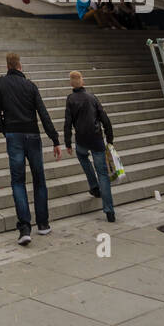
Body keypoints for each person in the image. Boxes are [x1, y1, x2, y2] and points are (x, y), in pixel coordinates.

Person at [0, 52, 61, 245]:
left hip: (14, 134)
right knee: (39, 179)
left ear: (8, 66)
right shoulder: (31, 86)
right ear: (20, 66)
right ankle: (43, 224)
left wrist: (4, 130)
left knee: (18, 181)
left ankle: (24, 228)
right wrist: (55, 139)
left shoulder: (1, 83)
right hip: (33, 134)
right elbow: (43, 113)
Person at [64, 70, 116, 223]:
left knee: (82, 155)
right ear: (83, 82)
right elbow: (104, 118)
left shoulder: (70, 99)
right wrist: (110, 138)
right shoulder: (92, 98)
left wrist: (68, 142)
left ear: (71, 84)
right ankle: (109, 211)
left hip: (81, 139)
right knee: (103, 174)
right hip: (96, 139)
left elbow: (68, 122)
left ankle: (93, 186)